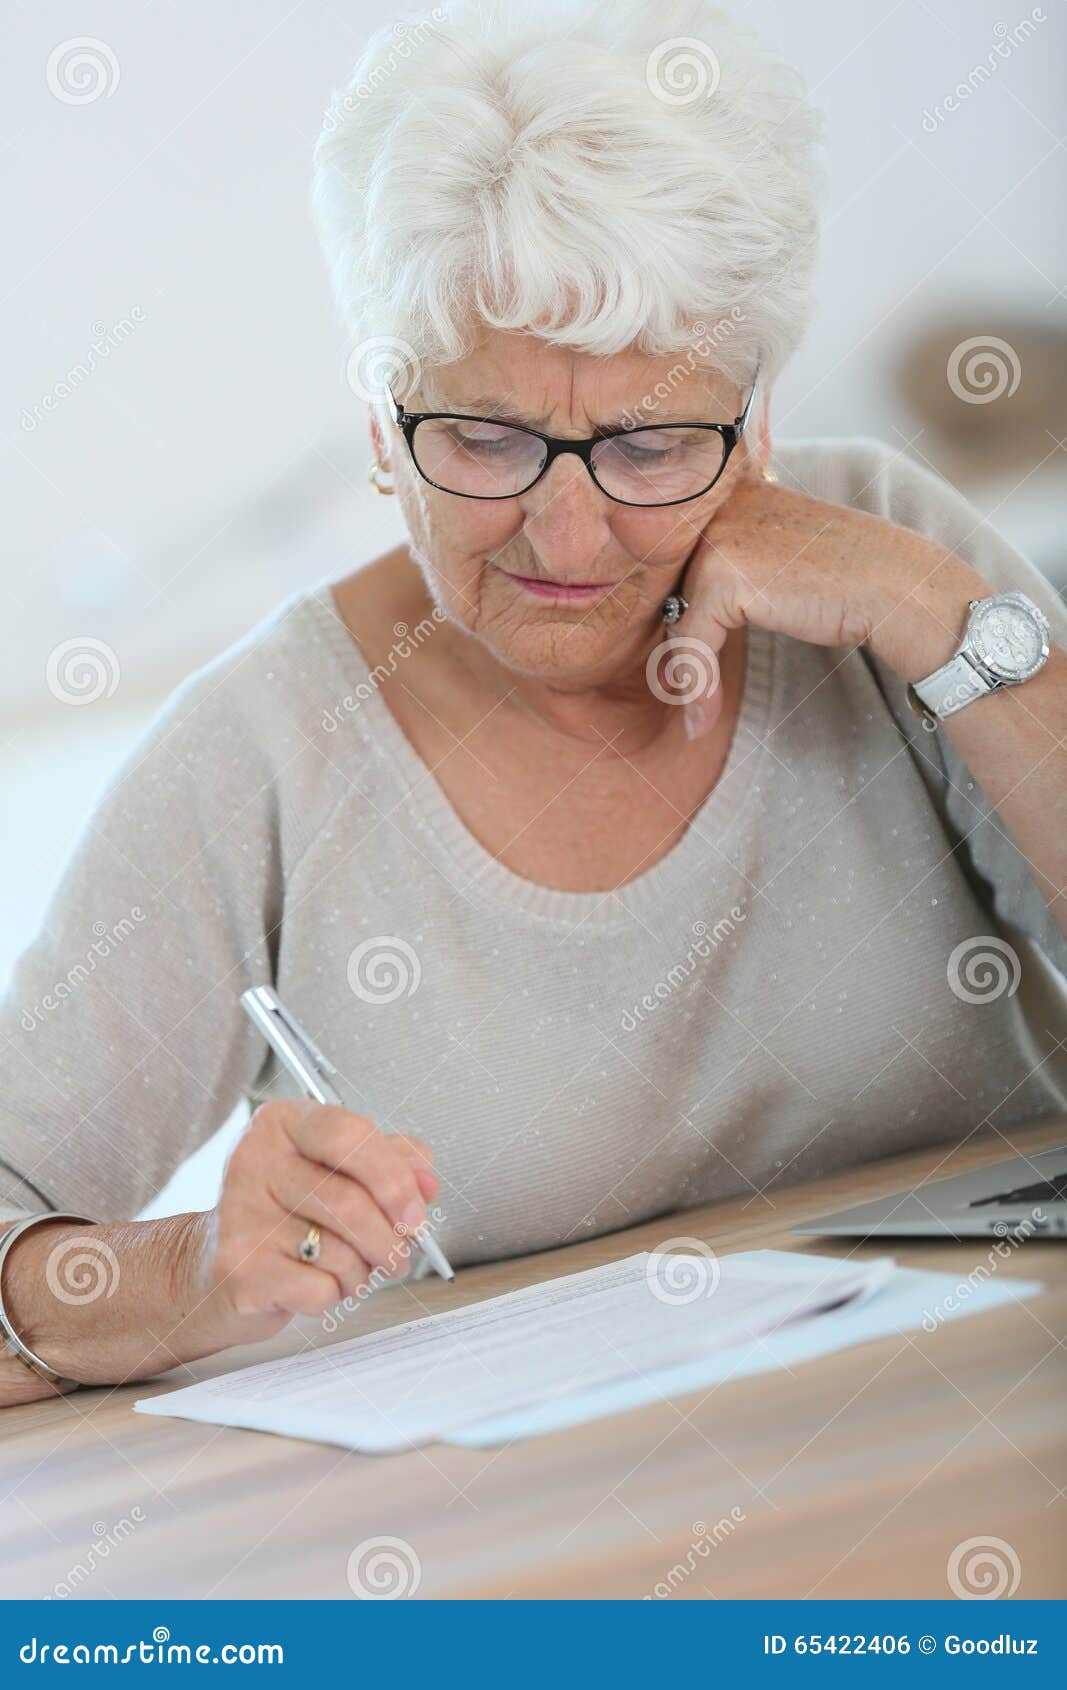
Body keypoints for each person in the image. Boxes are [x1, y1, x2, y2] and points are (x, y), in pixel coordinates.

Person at [1, 0, 1064, 1405]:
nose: (566, 539)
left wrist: (944, 627)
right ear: (382, 431)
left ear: (759, 427)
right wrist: (192, 1271)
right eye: (486, 439)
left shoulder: (901, 567)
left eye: (650, 445)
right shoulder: (260, 753)